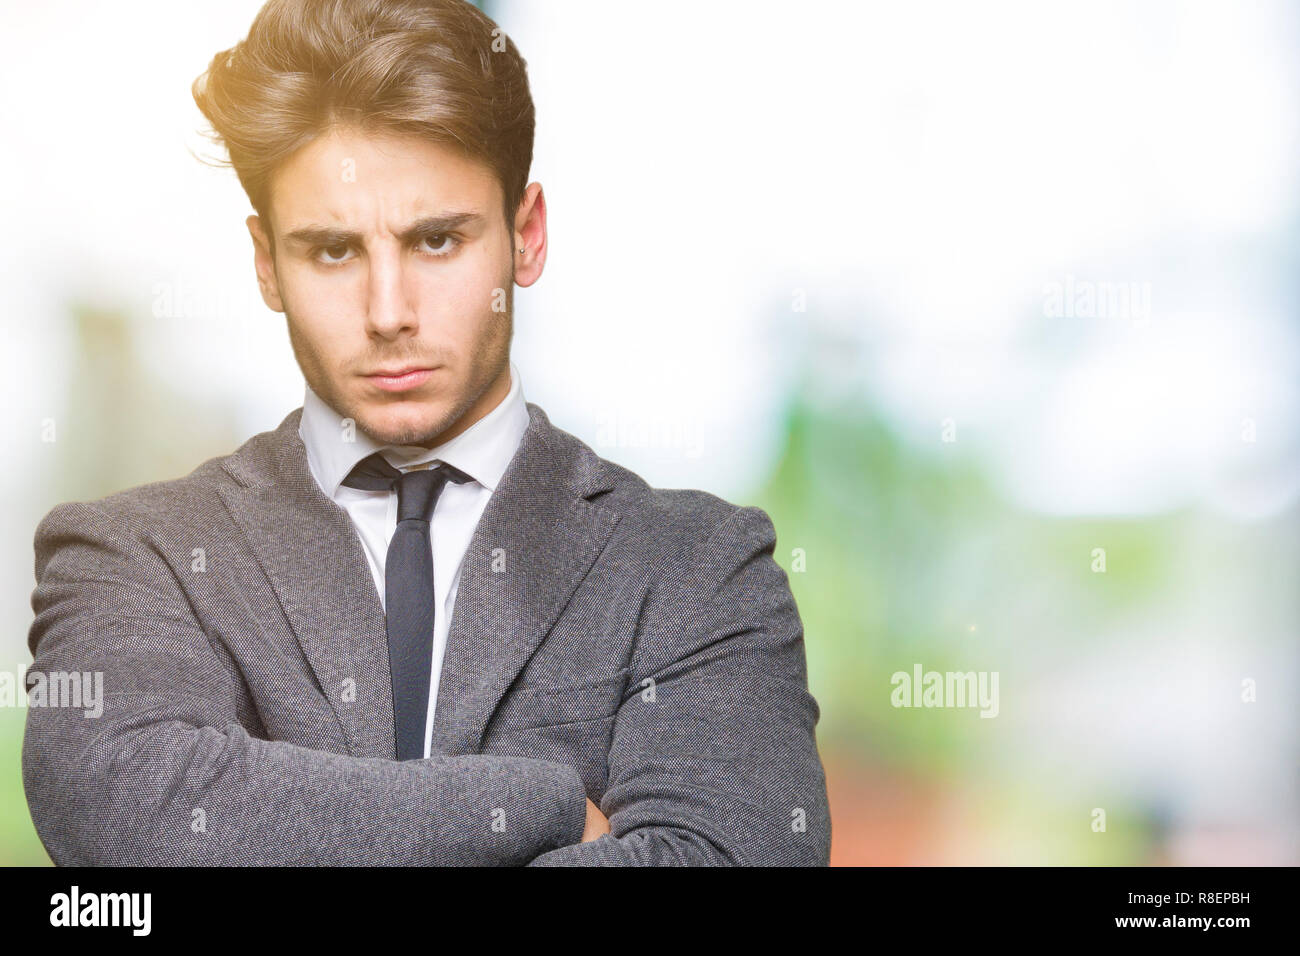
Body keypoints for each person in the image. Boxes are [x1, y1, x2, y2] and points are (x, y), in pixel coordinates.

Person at [22, 0, 830, 866]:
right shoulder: (136, 559)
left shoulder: (695, 570)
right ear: (267, 264)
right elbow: (134, 811)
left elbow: (727, 858)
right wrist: (546, 801)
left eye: (437, 241)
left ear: (526, 236)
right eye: (332, 251)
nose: (387, 312)